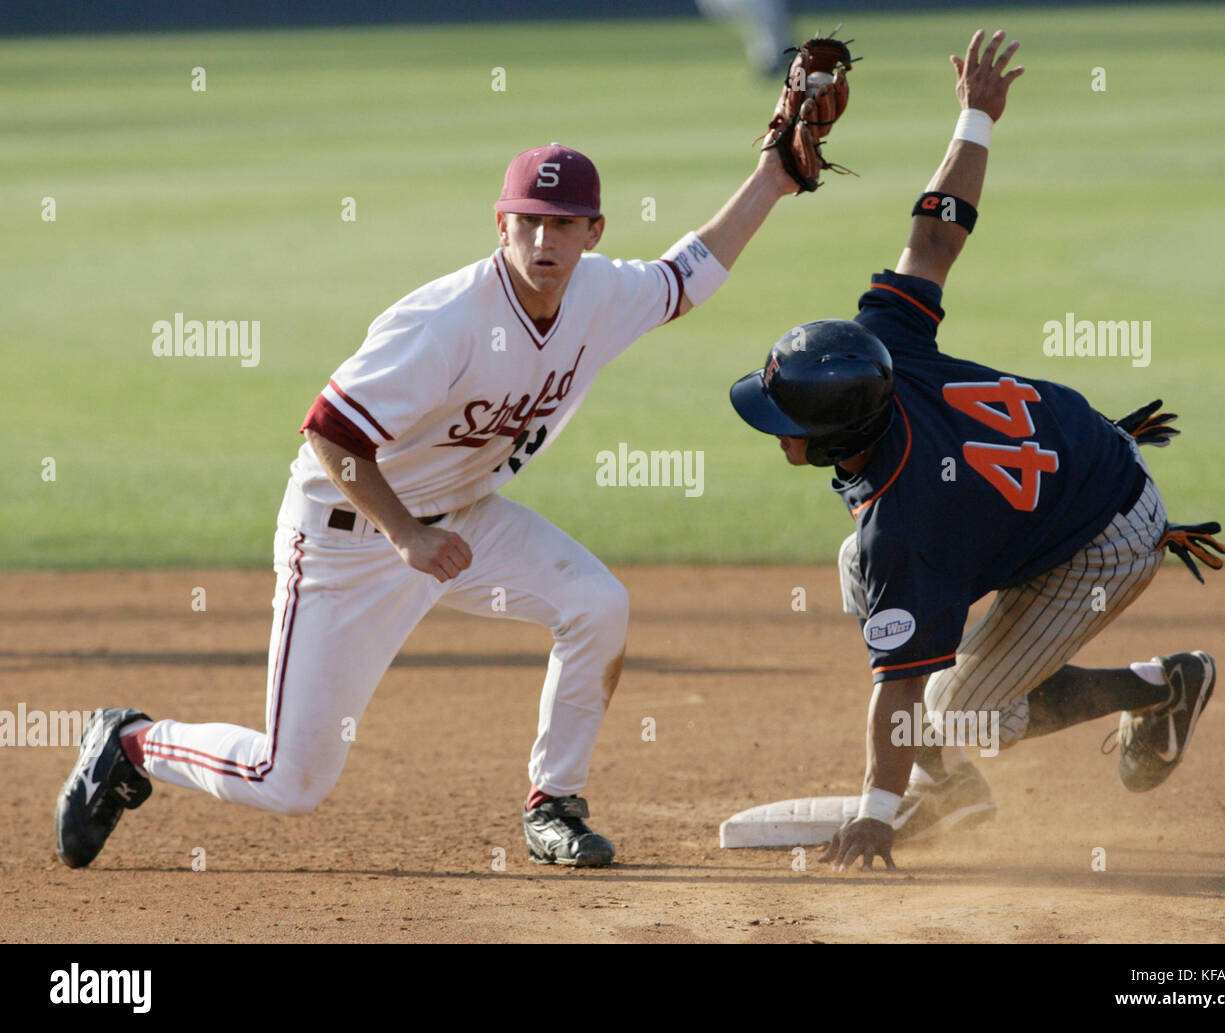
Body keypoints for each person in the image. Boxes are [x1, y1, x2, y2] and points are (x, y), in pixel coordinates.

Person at [56, 135, 805, 870]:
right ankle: (130, 742)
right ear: (500, 224)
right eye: (528, 220)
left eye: (564, 222)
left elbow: (686, 275)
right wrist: (405, 534)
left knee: (597, 603)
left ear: (593, 232)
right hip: (348, 536)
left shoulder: (602, 292)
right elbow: (330, 432)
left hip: (463, 518)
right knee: (290, 781)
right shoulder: (446, 320)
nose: (544, 238)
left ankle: (553, 804)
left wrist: (771, 179)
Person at [728, 30, 1225, 872]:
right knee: (861, 569)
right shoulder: (880, 344)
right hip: (1058, 478)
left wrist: (877, 814)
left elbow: (897, 692)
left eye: (789, 421)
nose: (778, 430)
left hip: (1107, 533)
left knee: (959, 710)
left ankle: (1164, 684)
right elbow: (935, 239)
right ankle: (950, 789)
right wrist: (976, 118)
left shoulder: (907, 517)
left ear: (835, 435)